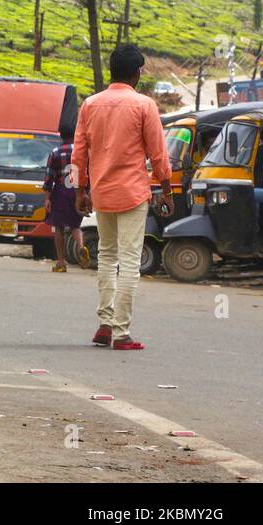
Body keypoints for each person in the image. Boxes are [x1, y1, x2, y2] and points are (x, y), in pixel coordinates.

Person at [72, 43, 172, 351]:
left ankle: (104, 323)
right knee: (129, 262)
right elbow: (158, 153)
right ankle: (121, 332)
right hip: (132, 192)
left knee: (107, 256)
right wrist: (166, 189)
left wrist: (80, 190)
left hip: (101, 193)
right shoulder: (144, 106)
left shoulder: (90, 104)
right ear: (137, 73)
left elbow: (79, 153)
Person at [43, 134, 90, 273]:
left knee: (59, 228)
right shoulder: (83, 151)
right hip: (78, 190)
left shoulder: (56, 152)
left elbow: (49, 176)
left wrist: (47, 198)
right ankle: (81, 247)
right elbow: (90, 172)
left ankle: (61, 263)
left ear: (62, 136)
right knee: (75, 225)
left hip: (61, 191)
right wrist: (87, 193)